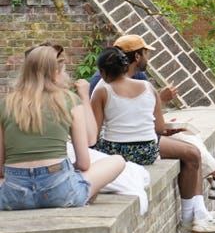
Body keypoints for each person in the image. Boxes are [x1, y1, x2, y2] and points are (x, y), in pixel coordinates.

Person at [91, 46, 215, 233]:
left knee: (192, 152)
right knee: (193, 154)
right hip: (148, 151)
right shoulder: (148, 88)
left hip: (116, 152)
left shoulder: (101, 90)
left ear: (103, 72)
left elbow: (94, 132)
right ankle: (191, 215)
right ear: (126, 67)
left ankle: (197, 214)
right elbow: (159, 129)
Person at [91, 35, 215, 199]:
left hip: (135, 139)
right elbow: (121, 115)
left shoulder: (129, 79)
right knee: (190, 151)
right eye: (146, 53)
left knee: (189, 138)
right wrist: (161, 99)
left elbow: (135, 112)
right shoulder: (108, 83)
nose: (148, 58)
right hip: (137, 143)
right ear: (137, 56)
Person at [0, 44, 126, 211]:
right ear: (54, 73)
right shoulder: (69, 100)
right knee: (118, 161)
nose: (67, 75)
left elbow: (0, 167)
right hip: (60, 190)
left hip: (14, 196)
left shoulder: (6, 104)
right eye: (64, 71)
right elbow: (84, 164)